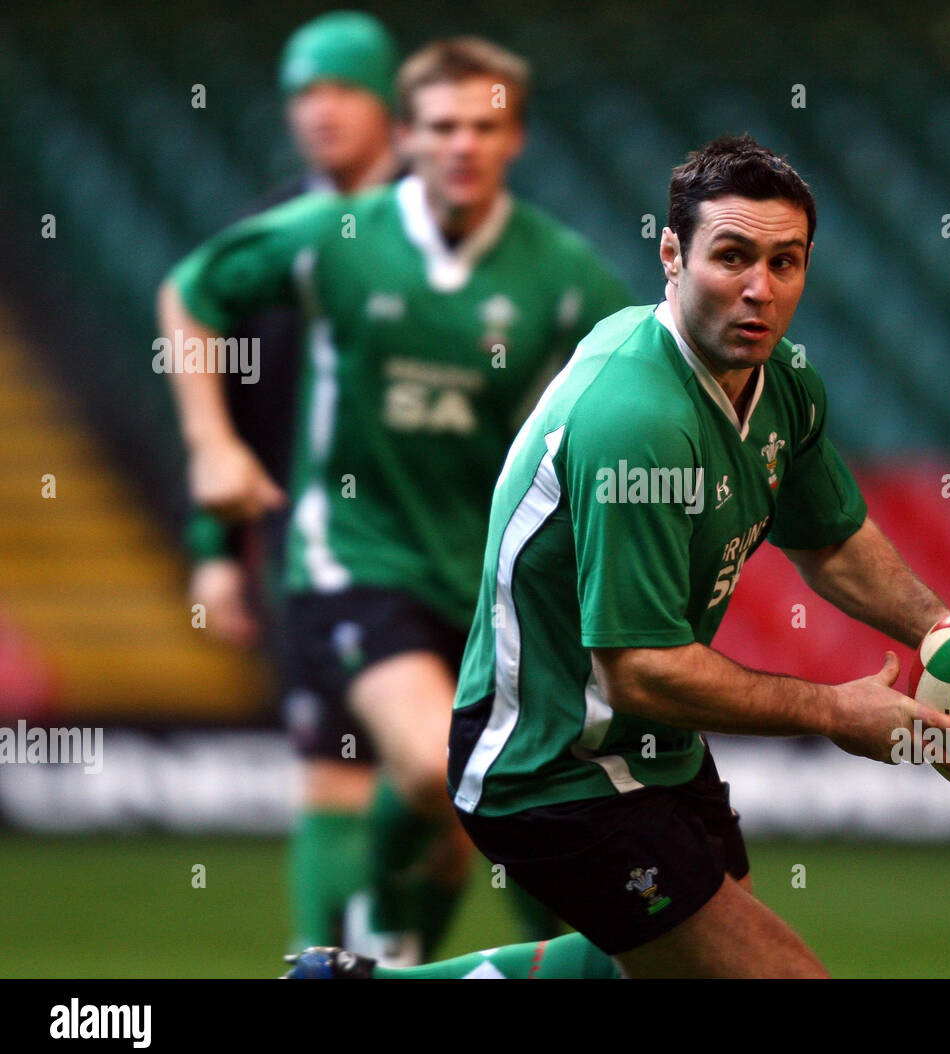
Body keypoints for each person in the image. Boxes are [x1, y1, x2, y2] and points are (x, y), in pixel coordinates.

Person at [283, 134, 950, 980]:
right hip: (548, 768)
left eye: (786, 261)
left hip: (652, 748)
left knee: (657, 970)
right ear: (671, 255)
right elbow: (641, 670)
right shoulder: (640, 422)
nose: (758, 290)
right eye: (731, 256)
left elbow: (832, 542)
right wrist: (835, 711)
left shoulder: (780, 382)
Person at [160, 35, 632, 963]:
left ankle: (376, 955)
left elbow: (643, 386)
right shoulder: (339, 237)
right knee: (431, 767)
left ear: (518, 139)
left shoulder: (566, 274)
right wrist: (211, 448)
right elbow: (193, 291)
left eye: (486, 125)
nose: (464, 144)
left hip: (492, 584)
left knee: (480, 803)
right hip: (354, 561)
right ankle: (359, 943)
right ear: (408, 134)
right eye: (443, 125)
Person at [183, 8, 404, 958]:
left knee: (456, 786)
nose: (320, 110)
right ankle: (332, 965)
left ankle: (390, 947)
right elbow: (220, 401)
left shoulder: (451, 232)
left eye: (343, 88)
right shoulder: (265, 241)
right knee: (333, 772)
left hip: (451, 540)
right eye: (303, 93)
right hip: (313, 544)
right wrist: (216, 551)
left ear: (390, 102)